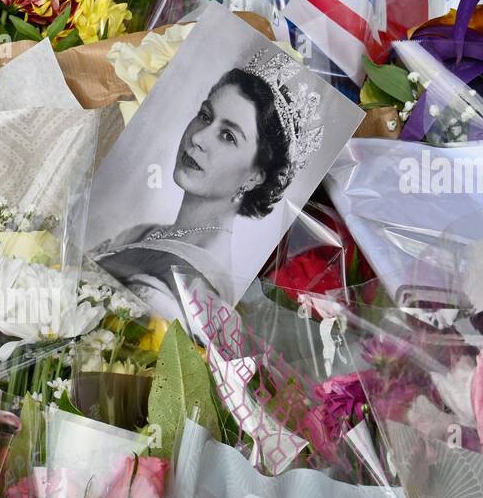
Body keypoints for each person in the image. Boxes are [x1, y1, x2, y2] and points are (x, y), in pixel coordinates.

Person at [94, 49, 319, 316]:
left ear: (255, 176)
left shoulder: (195, 290)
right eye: (205, 116)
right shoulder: (144, 232)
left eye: (228, 136)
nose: (199, 137)